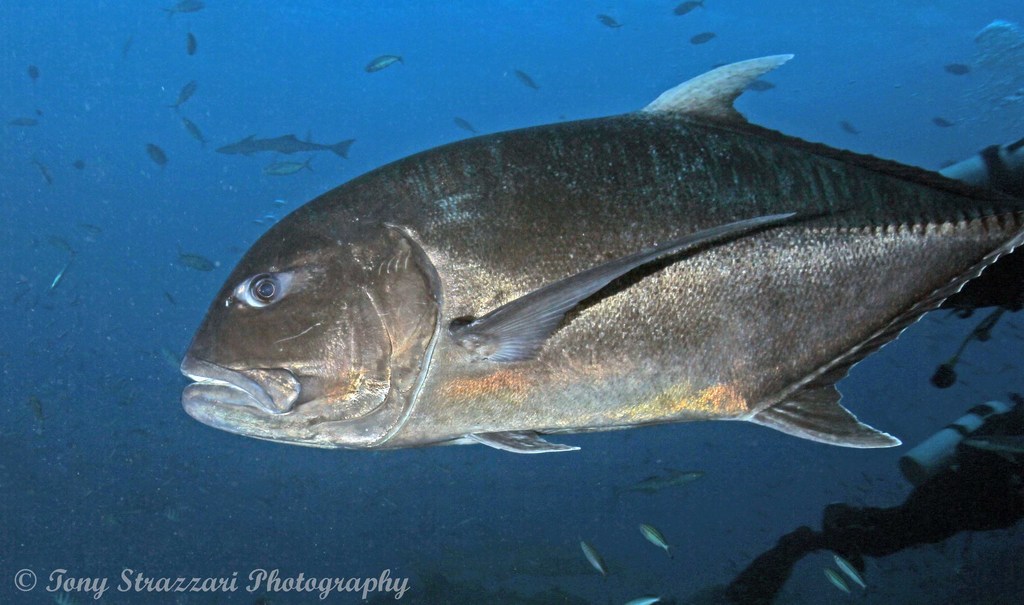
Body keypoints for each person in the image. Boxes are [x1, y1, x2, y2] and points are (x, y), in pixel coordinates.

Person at [716, 395, 1024, 605]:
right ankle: (814, 536)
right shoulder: (1011, 429)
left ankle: (826, 532)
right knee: (894, 534)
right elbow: (977, 452)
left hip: (973, 502)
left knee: (897, 532)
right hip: (963, 495)